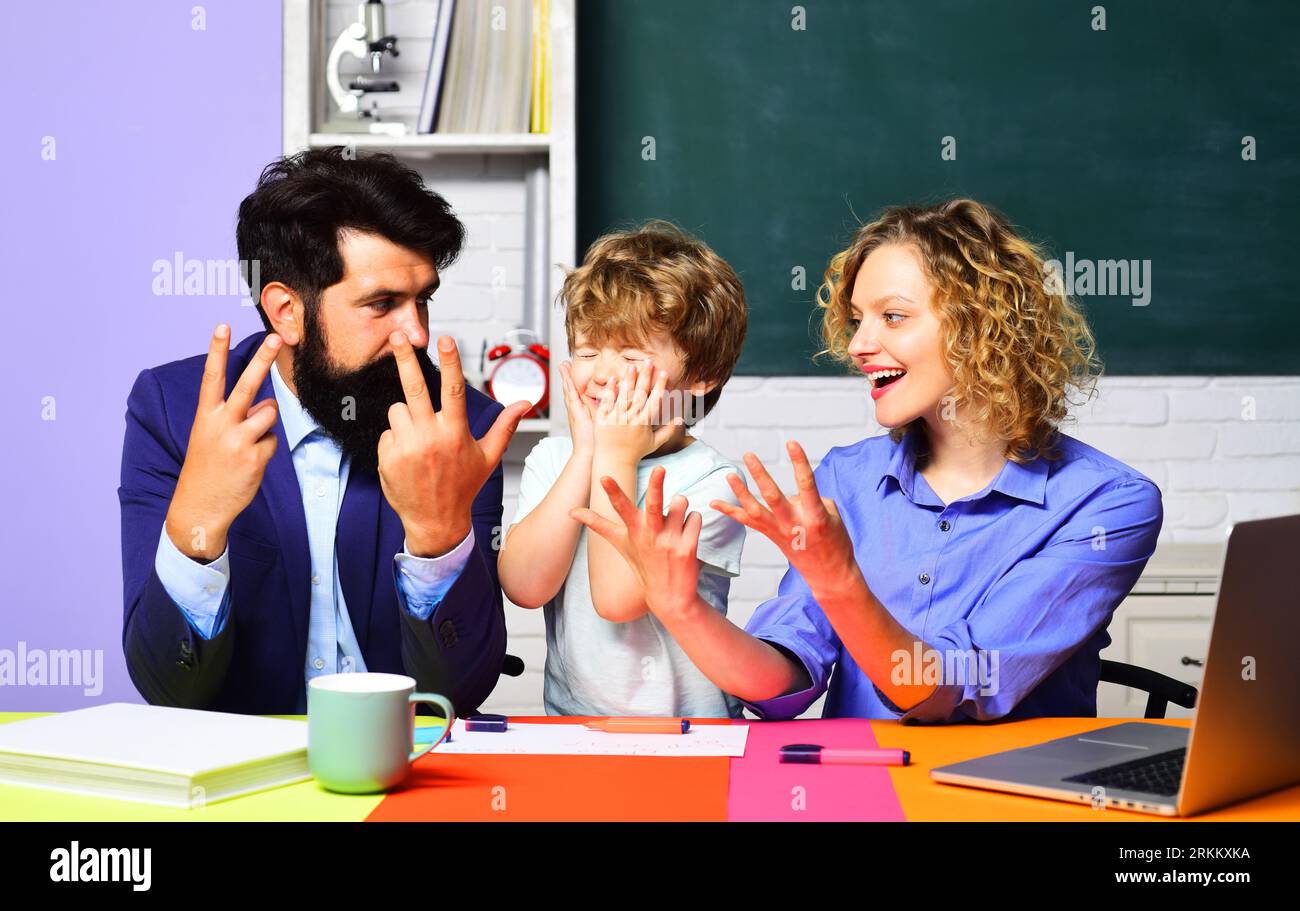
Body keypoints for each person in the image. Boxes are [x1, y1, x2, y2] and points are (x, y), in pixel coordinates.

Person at [572, 199, 1164, 724]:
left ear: (984, 328)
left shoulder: (1107, 504)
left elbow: (949, 690)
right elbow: (780, 679)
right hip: (862, 792)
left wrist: (839, 579)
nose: (857, 345)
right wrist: (680, 606)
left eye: (893, 316)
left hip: (1009, 798)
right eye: (857, 319)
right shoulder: (845, 480)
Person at [120, 147, 531, 715]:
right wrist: (199, 522)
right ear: (286, 310)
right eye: (382, 304)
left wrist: (437, 534)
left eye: (422, 300)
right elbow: (168, 687)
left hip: (400, 772)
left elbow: (458, 693)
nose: (414, 333)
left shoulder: (459, 430)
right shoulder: (172, 412)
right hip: (242, 784)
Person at [498, 222, 750, 717]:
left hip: (692, 734)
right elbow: (524, 587)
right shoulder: (554, 459)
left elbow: (617, 600)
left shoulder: (710, 482)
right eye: (588, 351)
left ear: (700, 376)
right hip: (575, 729)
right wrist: (587, 453)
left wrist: (616, 456)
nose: (601, 371)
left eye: (630, 355)